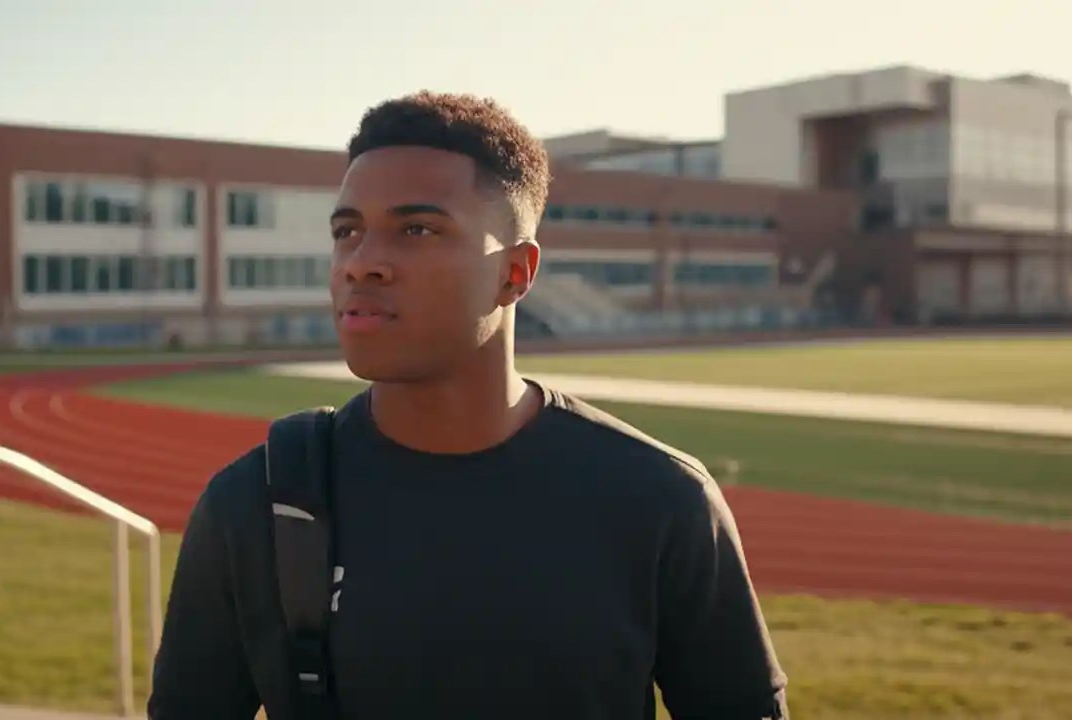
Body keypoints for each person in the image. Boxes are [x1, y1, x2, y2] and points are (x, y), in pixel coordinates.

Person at [149, 91, 789, 719]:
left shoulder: (660, 502)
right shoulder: (256, 506)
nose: (362, 263)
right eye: (348, 231)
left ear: (516, 273)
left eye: (417, 228)